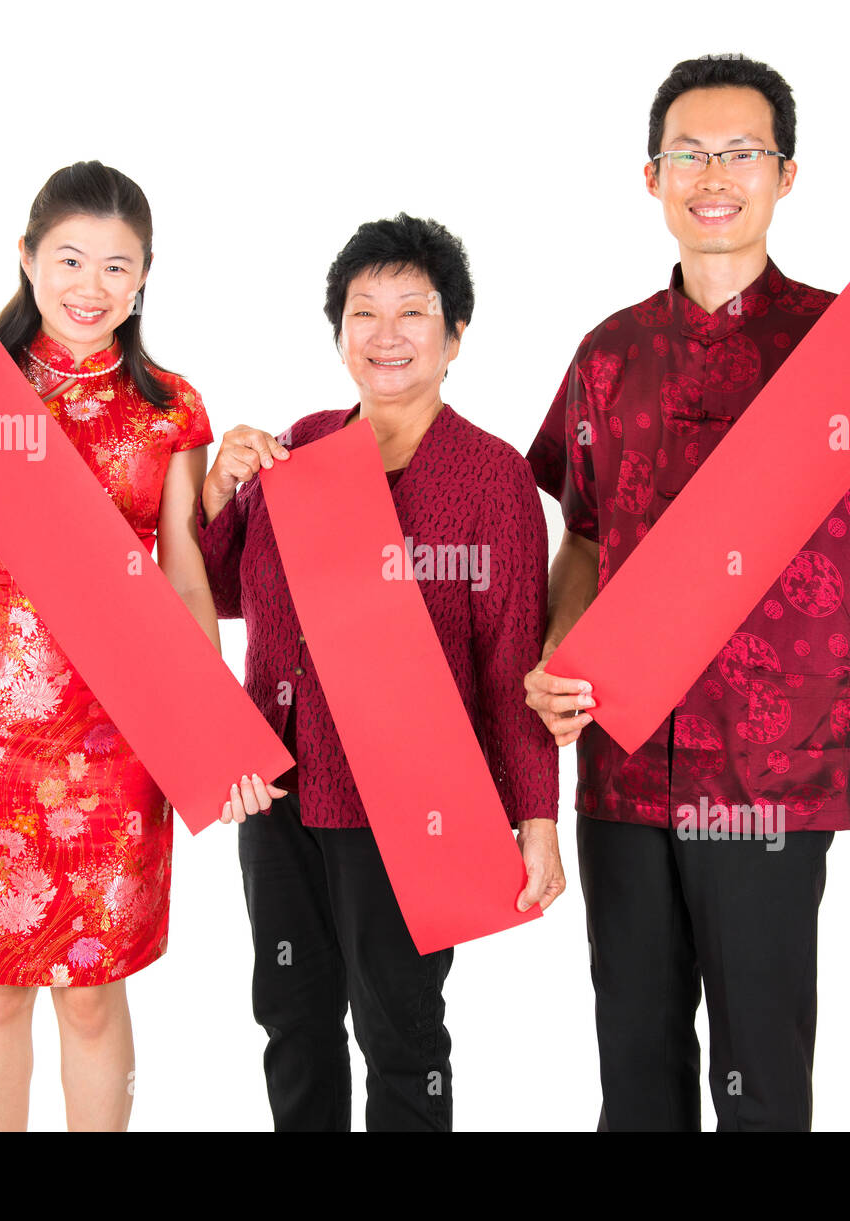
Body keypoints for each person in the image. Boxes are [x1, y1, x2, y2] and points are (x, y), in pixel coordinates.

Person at [523, 53, 850, 1132]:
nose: (714, 174)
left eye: (741, 152)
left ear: (786, 175)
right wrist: (555, 661)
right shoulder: (607, 356)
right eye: (688, 154)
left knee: (760, 1088)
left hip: (771, 777)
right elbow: (583, 538)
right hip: (620, 766)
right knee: (635, 1088)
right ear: (649, 177)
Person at [0, 160, 260, 1131]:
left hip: (118, 732)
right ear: (26, 258)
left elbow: (183, 575)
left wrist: (205, 735)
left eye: (117, 267)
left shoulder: (171, 404)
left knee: (93, 988)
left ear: (146, 275)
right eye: (71, 259)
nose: (92, 287)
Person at [196, 213, 562, 1131]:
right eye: (364, 312)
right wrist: (214, 494)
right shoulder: (299, 447)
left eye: (413, 311)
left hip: (410, 800)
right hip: (278, 789)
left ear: (455, 335)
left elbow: (512, 659)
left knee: (401, 1029)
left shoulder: (492, 477)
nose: (387, 335)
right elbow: (215, 599)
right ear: (340, 333)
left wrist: (539, 818)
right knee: (291, 1019)